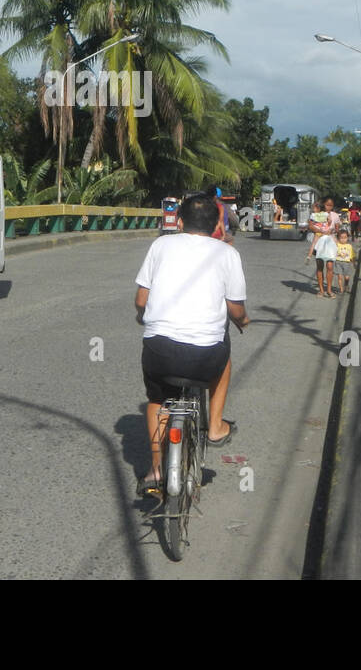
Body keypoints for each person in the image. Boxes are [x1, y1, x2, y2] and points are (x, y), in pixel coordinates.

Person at [135, 191, 249, 496]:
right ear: (215, 226)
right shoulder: (228, 254)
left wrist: (141, 317)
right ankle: (214, 426)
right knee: (224, 359)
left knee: (158, 399)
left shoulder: (161, 244)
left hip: (159, 350)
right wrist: (243, 322)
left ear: (180, 221)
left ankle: (156, 468)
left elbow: (141, 299)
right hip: (205, 356)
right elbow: (236, 309)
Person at [305, 196, 341, 297]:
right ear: (323, 204)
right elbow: (310, 225)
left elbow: (337, 229)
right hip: (319, 242)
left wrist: (332, 231)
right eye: (327, 205)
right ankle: (321, 290)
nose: (329, 207)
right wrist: (320, 230)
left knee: (330, 266)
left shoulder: (335, 216)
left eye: (331, 205)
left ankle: (329, 290)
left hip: (331, 242)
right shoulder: (317, 215)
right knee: (319, 266)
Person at [333, 229, 355, 295]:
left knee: (346, 277)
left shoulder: (349, 246)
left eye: (345, 238)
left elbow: (352, 255)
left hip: (346, 263)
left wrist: (354, 263)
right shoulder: (337, 245)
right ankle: (341, 289)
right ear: (338, 238)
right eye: (341, 238)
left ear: (347, 238)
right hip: (338, 262)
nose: (343, 239)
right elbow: (333, 239)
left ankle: (346, 284)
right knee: (339, 277)